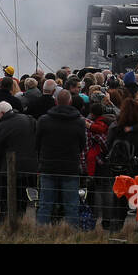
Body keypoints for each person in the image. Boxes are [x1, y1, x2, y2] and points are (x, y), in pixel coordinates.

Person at [34, 88, 87, 227]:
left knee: (45, 204)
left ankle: (40, 235)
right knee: (71, 206)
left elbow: (37, 143)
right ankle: (71, 235)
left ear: (56, 101)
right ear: (70, 101)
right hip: (70, 167)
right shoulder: (79, 122)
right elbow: (83, 145)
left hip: (48, 166)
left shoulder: (44, 120)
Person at [0, 100, 37, 223]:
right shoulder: (29, 119)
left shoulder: (2, 126)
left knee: (6, 201)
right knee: (22, 201)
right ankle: (21, 224)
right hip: (29, 167)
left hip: (9, 168)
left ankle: (5, 225)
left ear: (2, 113)